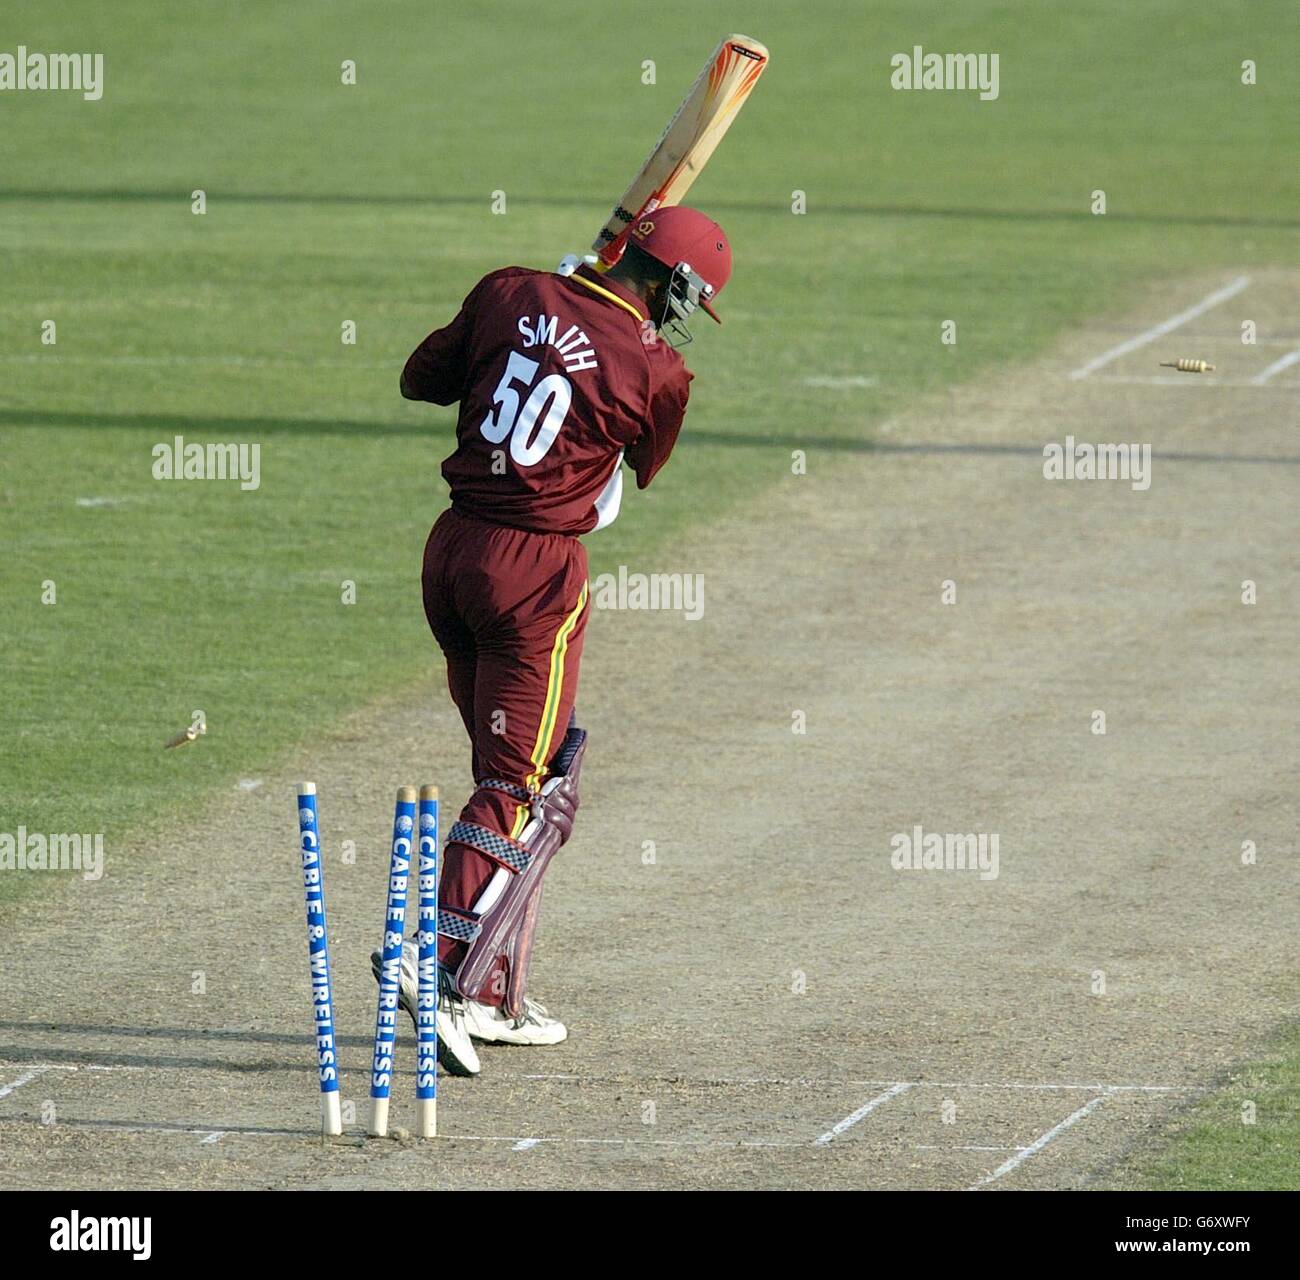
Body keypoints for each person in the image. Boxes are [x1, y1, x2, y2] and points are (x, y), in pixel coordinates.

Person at [377, 207, 732, 1075]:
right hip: (534, 577)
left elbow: (420, 380)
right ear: (676, 287)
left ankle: (492, 990)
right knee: (518, 786)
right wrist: (594, 334)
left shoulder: (507, 290)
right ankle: (444, 971)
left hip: (451, 552)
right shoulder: (659, 370)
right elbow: (641, 467)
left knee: (515, 784)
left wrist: (541, 311)